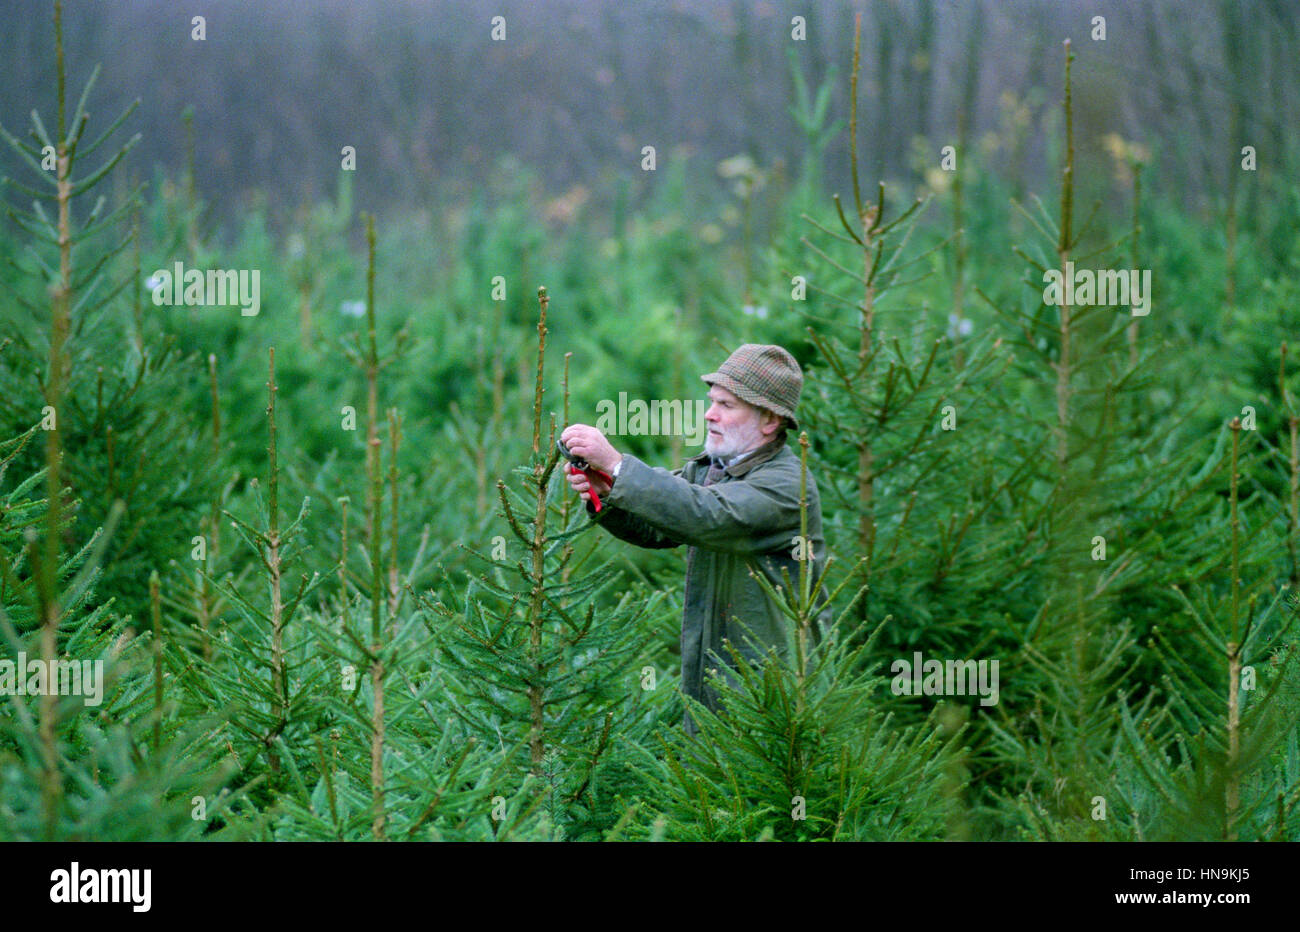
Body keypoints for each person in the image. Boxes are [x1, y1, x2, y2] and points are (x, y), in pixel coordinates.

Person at [560, 343, 829, 733]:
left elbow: (706, 514)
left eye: (726, 405)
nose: (710, 414)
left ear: (769, 420)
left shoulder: (788, 485)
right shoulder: (714, 470)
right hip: (717, 677)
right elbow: (659, 525)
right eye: (711, 401)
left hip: (776, 692)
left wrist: (618, 465)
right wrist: (606, 490)